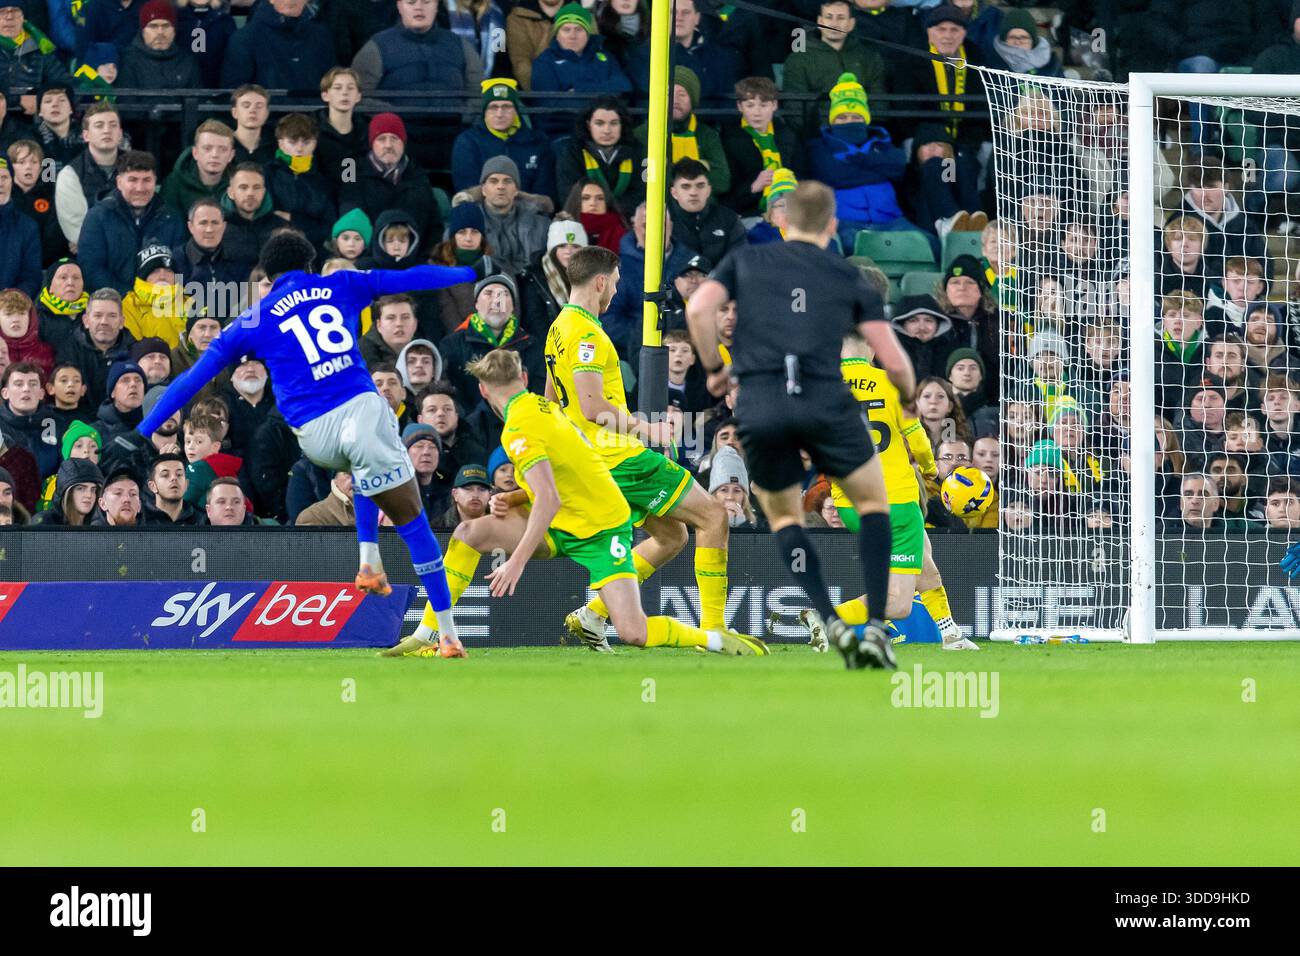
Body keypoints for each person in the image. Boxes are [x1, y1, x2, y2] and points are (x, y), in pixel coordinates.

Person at [138, 231, 478, 658]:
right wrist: (467, 270)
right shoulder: (342, 283)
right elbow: (412, 275)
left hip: (314, 436)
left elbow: (193, 377)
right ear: (312, 265)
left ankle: (369, 564)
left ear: (268, 277)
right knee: (412, 521)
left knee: (363, 459)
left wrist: (145, 428)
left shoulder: (254, 317)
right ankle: (446, 634)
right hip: (359, 414)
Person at [387, 348, 767, 657]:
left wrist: (515, 561)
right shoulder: (544, 407)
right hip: (567, 518)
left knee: (634, 631)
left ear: (483, 392)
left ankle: (712, 639)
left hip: (601, 528)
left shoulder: (519, 430)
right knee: (469, 532)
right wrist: (517, 496)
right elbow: (561, 474)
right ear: (523, 379)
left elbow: (549, 496)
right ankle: (429, 634)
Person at [686, 180, 916, 670]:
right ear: (832, 225)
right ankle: (874, 626)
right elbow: (891, 355)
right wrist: (909, 393)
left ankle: (831, 619)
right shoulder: (845, 273)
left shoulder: (746, 260)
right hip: (824, 400)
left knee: (786, 517)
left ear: (782, 220)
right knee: (874, 504)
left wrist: (712, 369)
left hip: (762, 404)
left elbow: (699, 307)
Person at [539, 245, 732, 653]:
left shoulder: (557, 328)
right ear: (601, 281)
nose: (616, 292)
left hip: (591, 460)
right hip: (620, 458)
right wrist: (648, 429)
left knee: (671, 536)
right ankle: (716, 634)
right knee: (714, 516)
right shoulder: (586, 333)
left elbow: (551, 399)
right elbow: (592, 406)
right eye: (617, 283)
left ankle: (593, 614)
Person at [812, 333, 976, 650]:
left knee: (924, 560)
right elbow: (917, 440)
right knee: (899, 604)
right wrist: (930, 470)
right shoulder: (891, 384)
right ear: (872, 347)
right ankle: (826, 616)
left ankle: (951, 634)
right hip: (896, 501)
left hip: (849, 505)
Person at [77, 150, 185, 296]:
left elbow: (180, 267)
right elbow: (91, 269)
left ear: (155, 181)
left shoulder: (171, 218)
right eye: (133, 180)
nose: (140, 188)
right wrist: (130, 298)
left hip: (161, 305)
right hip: (113, 306)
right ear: (119, 182)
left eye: (147, 180)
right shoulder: (98, 217)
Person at [440, 273, 545, 412]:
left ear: (513, 306)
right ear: (476, 303)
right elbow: (451, 394)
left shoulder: (533, 347)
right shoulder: (452, 345)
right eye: (488, 293)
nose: (497, 300)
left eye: (504, 294)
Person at [782, 0, 887, 131]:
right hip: (818, 138)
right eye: (829, 17)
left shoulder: (870, 57)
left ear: (851, 23)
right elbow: (795, 110)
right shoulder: (798, 59)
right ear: (820, 21)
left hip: (864, 135)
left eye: (841, 18)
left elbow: (879, 105)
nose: (834, 24)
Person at [452, 78, 556, 197]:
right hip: (482, 211)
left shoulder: (538, 142)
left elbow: (544, 193)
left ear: (516, 110)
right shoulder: (467, 142)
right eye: (493, 107)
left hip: (528, 212)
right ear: (484, 111)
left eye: (506, 107)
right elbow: (466, 190)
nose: (499, 114)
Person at [220, 0, 335, 93]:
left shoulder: (321, 36)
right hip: (266, 119)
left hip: (313, 118)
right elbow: (235, 93)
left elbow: (330, 83)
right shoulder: (245, 38)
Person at [54, 103, 124, 250]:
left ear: (120, 134)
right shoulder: (69, 174)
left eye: (113, 125)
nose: (107, 130)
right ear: (86, 135)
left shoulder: (136, 167)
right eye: (99, 125)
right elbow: (77, 229)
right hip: (92, 255)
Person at [0, 156, 40, 298]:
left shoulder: (27, 227)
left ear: (12, 181)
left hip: (11, 311)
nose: (0, 183)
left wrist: (10, 301)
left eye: (4, 177)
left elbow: (31, 277)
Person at [142, 452, 203, 524]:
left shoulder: (202, 519)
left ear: (186, 484)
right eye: (165, 475)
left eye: (179, 474)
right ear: (152, 486)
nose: (174, 478)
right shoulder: (140, 519)